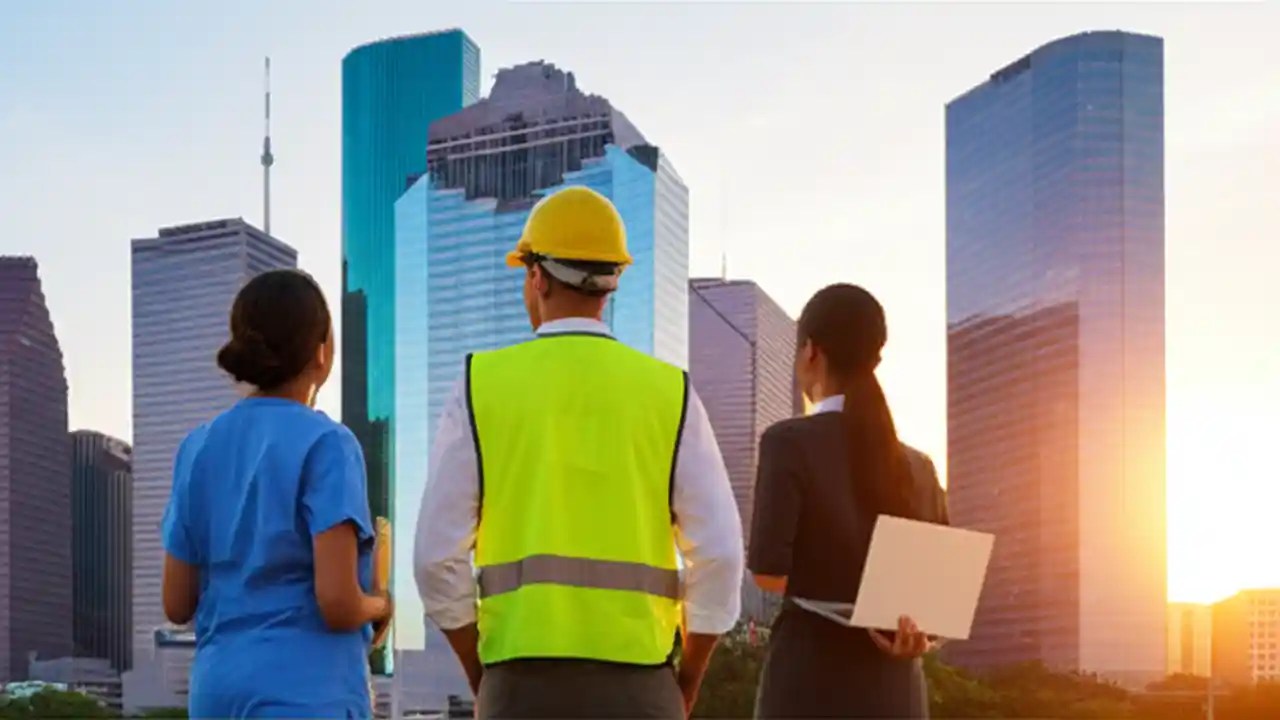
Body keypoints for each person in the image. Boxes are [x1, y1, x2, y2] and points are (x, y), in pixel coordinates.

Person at [414, 186, 744, 719]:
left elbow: (434, 558)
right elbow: (722, 554)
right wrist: (685, 683)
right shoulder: (670, 392)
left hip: (518, 688)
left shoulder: (480, 385)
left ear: (537, 276)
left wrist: (485, 675)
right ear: (611, 284)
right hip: (643, 690)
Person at [160, 269, 393, 719]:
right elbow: (339, 603)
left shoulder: (197, 447)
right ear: (322, 352)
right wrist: (382, 603)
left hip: (215, 693)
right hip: (307, 694)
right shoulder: (329, 444)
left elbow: (176, 604)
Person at [749, 283, 949, 719]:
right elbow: (938, 599)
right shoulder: (920, 467)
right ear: (874, 358)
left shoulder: (787, 442)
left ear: (811, 352)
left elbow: (767, 571)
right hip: (896, 689)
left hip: (810, 680)